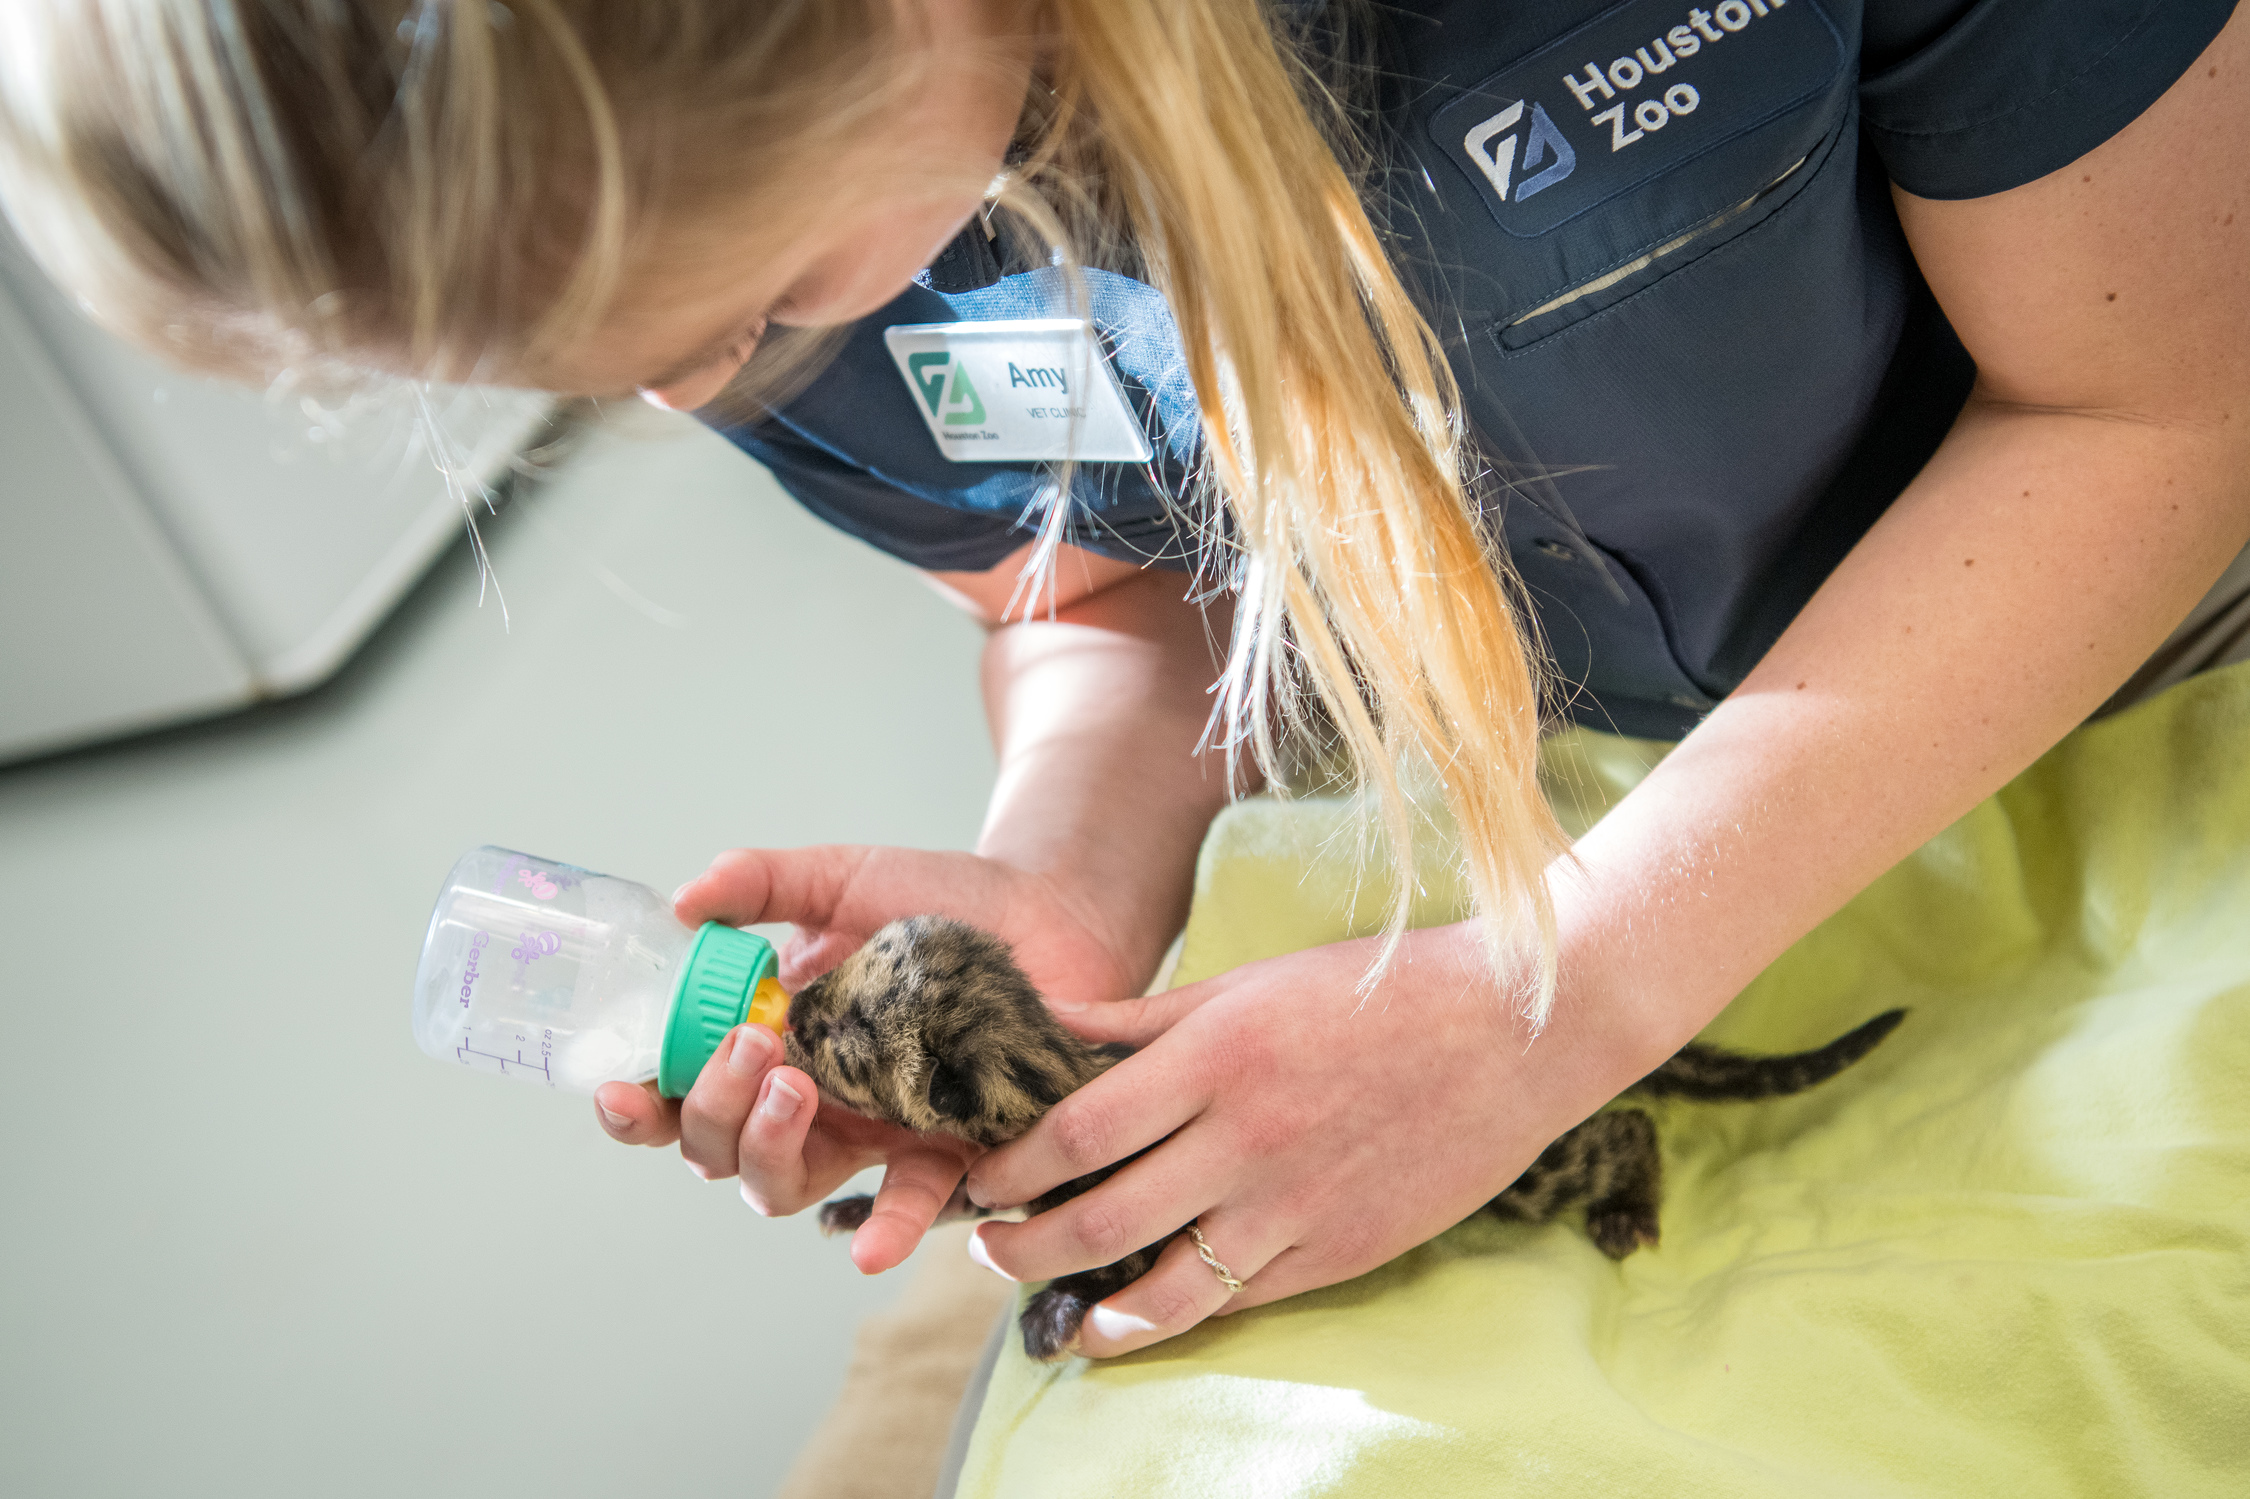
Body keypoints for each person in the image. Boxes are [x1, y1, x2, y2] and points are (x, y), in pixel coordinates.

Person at [5, 0, 2245, 1370]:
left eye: (757, 308)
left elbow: (2163, 411)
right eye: (586, 381)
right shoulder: (769, 221)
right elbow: (1104, 570)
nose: (708, 389)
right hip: (1691, 774)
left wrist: (1566, 989)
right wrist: (1060, 869)